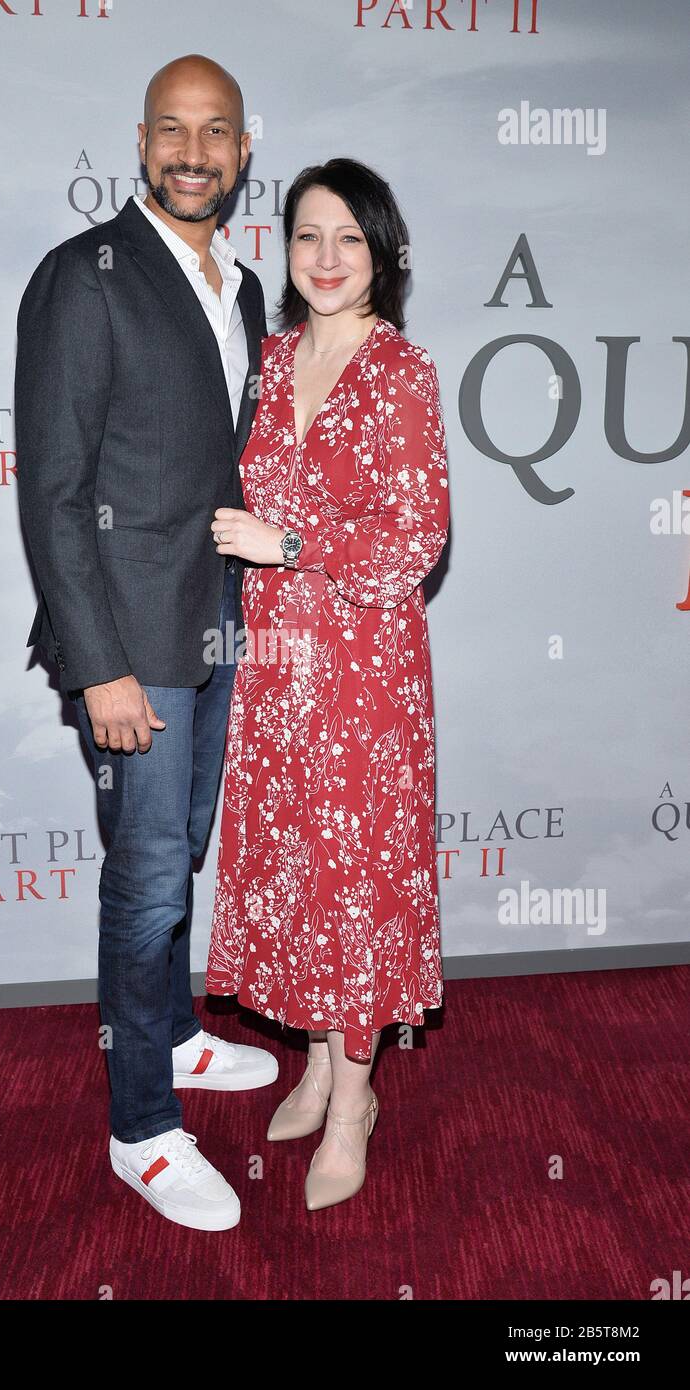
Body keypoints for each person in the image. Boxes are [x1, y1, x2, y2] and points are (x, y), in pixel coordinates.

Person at [14, 54, 278, 1234]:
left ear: (240, 149)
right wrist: (99, 665)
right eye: (172, 130)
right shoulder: (85, 277)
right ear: (137, 141)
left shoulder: (246, 289)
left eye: (213, 132)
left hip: (214, 624)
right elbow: (55, 493)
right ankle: (139, 1128)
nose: (192, 151)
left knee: (178, 853)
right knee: (148, 877)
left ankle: (170, 1038)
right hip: (130, 642)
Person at [205, 157, 450, 1211]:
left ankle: (353, 1101)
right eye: (307, 235)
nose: (325, 257)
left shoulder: (400, 371)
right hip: (275, 671)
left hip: (363, 676)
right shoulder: (264, 360)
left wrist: (289, 540)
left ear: (383, 253)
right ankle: (315, 1061)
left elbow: (415, 543)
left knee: (356, 882)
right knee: (300, 871)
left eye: (349, 237)